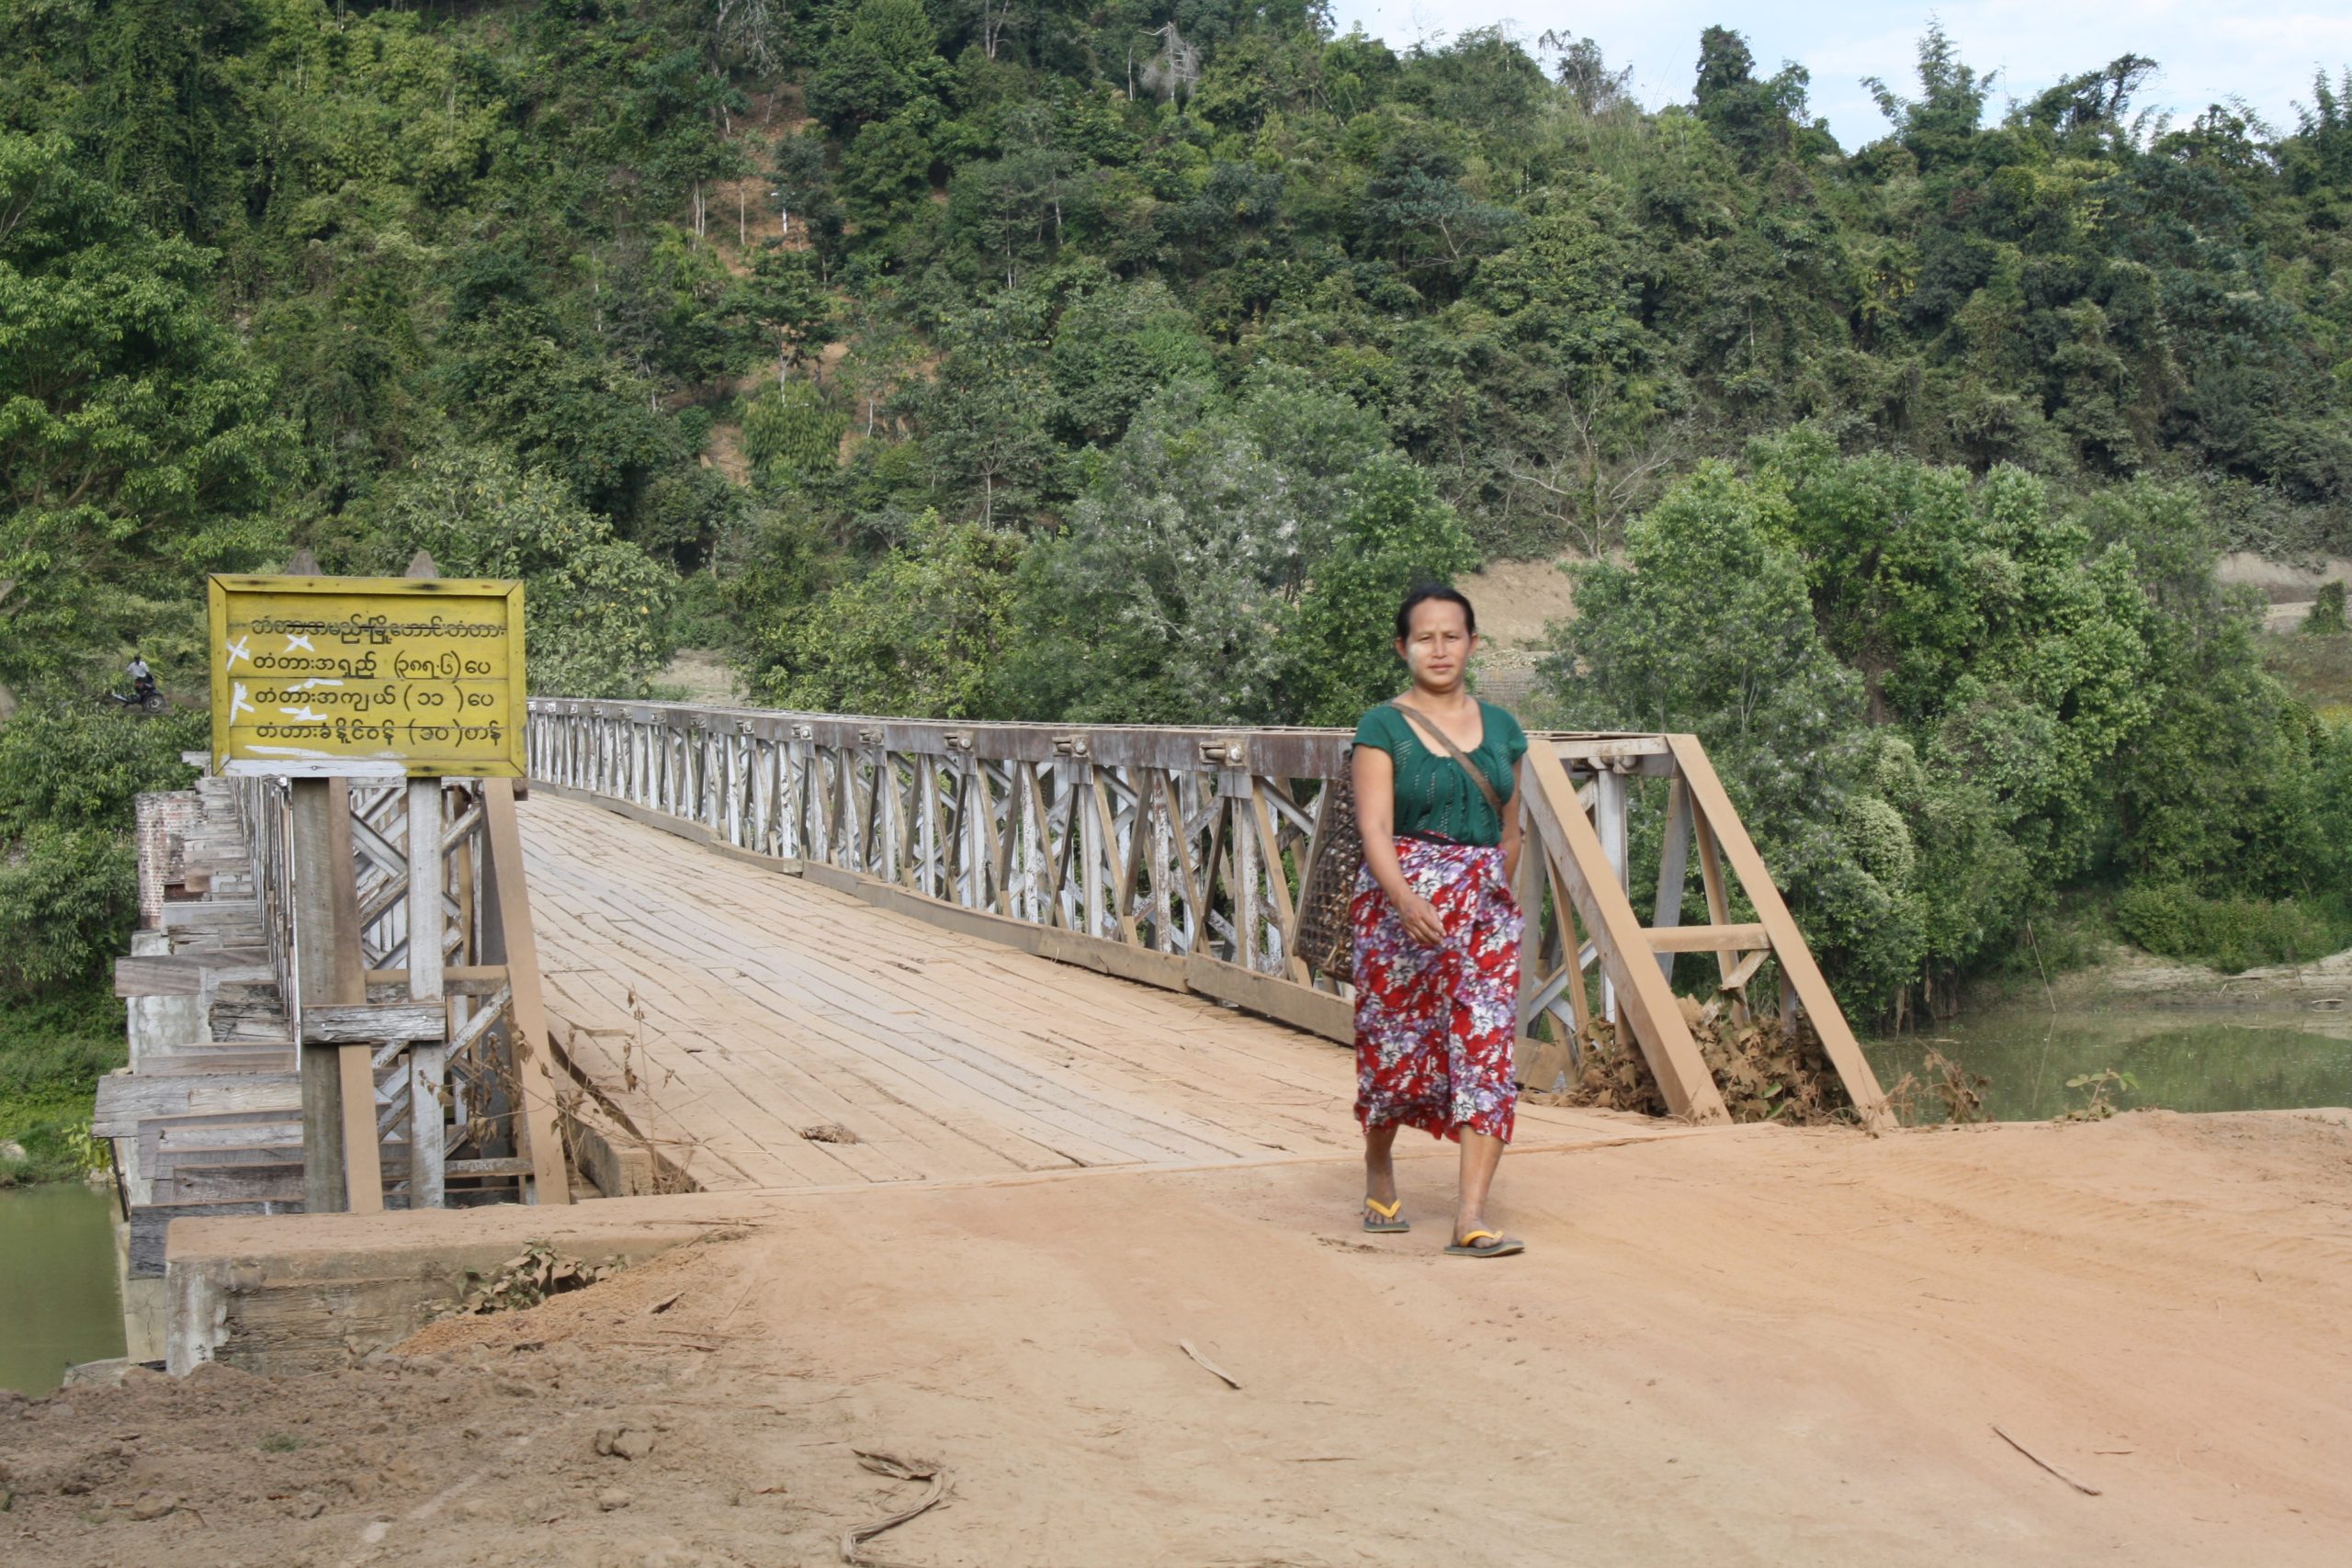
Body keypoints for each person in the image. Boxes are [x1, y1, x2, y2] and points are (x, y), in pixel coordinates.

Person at [1348, 584, 1529, 1258]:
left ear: (1473, 643)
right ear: (1403, 648)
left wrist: (1488, 890)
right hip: (1400, 909)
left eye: (1452, 635)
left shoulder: (1505, 729)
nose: (1440, 648)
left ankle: (1471, 1215)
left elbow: (1511, 830)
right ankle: (1378, 1165)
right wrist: (1406, 899)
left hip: (1481, 911)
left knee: (1487, 1051)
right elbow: (1374, 826)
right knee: (1396, 1047)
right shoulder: (1382, 725)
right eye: (1424, 636)